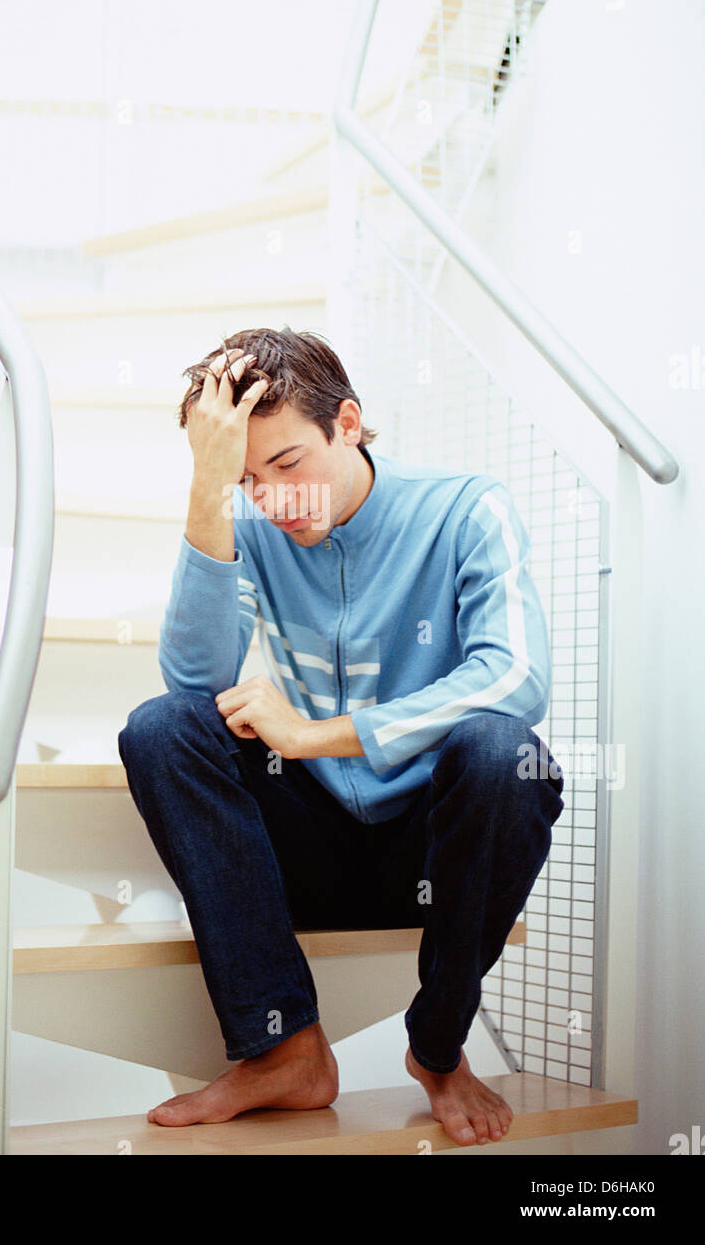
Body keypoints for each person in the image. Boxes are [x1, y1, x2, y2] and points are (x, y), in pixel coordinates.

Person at [117, 326, 564, 1147]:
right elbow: (194, 683)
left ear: (348, 422)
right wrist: (208, 487)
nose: (273, 500)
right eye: (247, 478)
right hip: (304, 851)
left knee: (506, 753)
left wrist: (319, 734)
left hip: (429, 849)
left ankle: (437, 1047)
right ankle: (282, 1049)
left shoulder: (466, 507)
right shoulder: (244, 525)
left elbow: (516, 679)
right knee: (161, 727)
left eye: (286, 466)